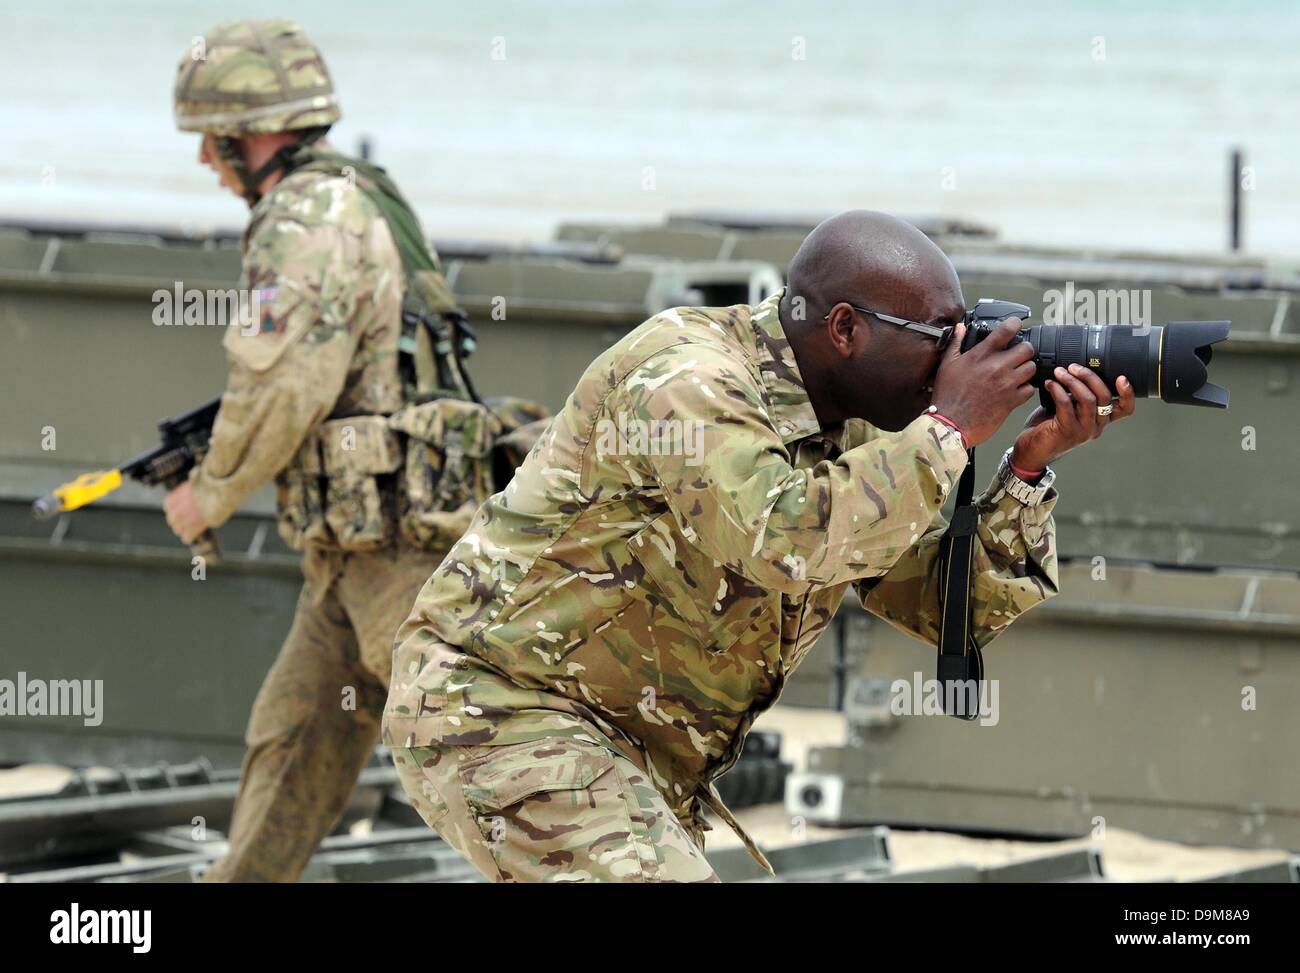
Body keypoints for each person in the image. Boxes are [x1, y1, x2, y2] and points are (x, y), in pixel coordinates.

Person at [384, 210, 1136, 882]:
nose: (954, 363)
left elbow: (941, 607)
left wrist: (1027, 467)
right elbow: (781, 537)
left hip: (626, 747)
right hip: (499, 708)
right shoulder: (687, 376)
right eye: (942, 338)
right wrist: (948, 431)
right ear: (845, 328)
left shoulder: (866, 421)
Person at [164, 18, 505, 881]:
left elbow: (283, 384)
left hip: (398, 560)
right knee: (289, 751)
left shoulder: (305, 215)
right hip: (356, 555)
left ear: (251, 134)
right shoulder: (361, 193)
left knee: (489, 765)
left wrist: (207, 494)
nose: (207, 160)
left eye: (213, 140)